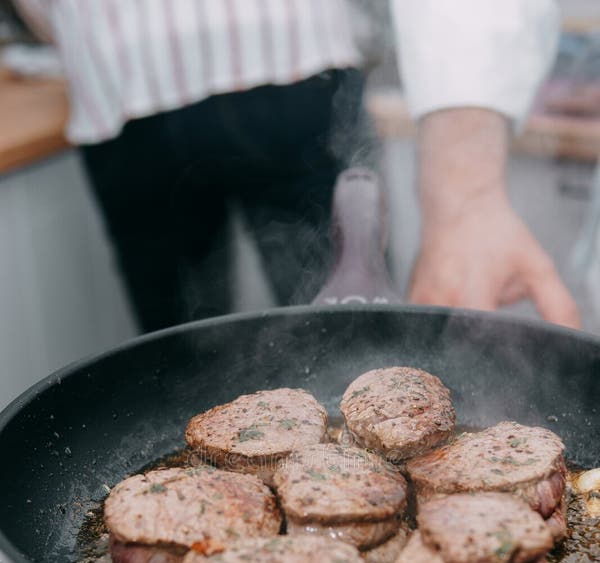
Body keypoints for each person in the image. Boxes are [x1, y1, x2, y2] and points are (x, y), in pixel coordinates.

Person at [16, 0, 581, 332]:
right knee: (355, 336)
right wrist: (467, 194)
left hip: (127, 77)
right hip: (287, 56)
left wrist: (469, 195)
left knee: (190, 357)